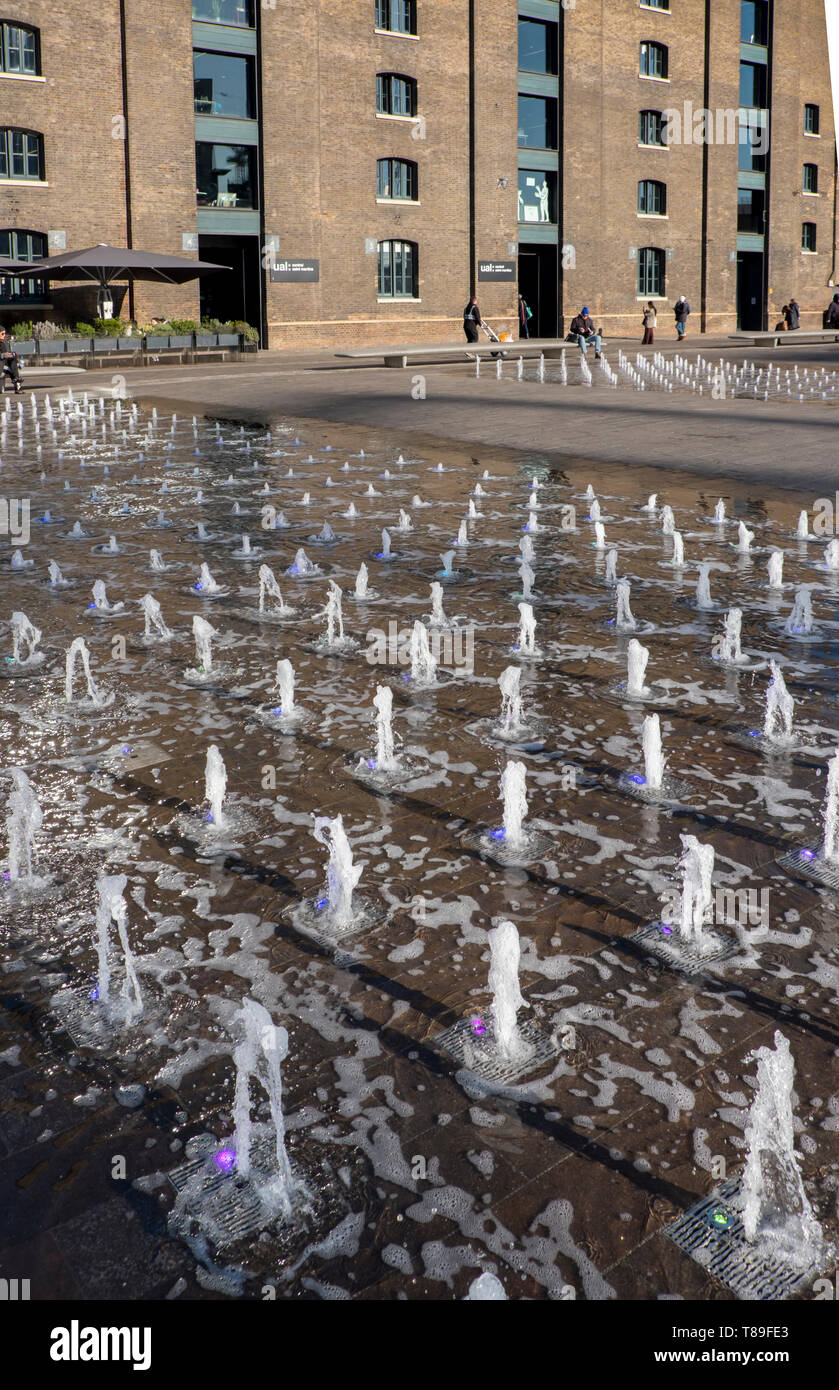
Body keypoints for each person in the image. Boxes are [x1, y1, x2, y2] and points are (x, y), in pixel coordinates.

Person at [0, 327, 22, 393]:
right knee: (13, 364)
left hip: (7, 363)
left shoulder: (6, 343)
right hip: (1, 363)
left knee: (13, 361)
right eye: (2, 334)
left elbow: (9, 352)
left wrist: (12, 355)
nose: (4, 335)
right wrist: (3, 355)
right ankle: (16, 381)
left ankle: (16, 381)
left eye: (5, 334)